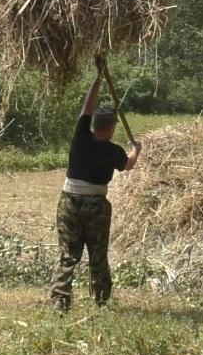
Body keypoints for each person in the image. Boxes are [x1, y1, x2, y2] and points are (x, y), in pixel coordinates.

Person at [48, 56, 142, 312]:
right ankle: (101, 300)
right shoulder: (114, 151)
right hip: (96, 206)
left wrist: (98, 77)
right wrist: (136, 149)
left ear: (93, 124)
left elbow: (86, 106)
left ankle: (60, 300)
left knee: (68, 253)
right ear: (111, 128)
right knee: (97, 254)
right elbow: (128, 165)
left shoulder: (80, 137)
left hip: (68, 201)